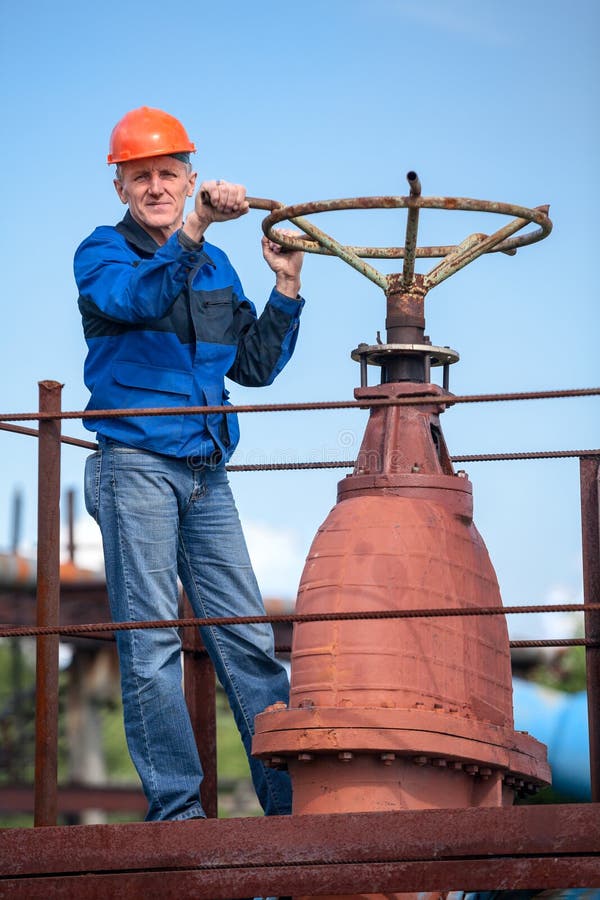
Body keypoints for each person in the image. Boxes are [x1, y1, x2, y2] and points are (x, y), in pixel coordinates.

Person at [74, 106, 304, 822]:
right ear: (119, 188)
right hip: (135, 462)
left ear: (190, 177)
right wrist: (196, 230)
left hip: (208, 471)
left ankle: (293, 814)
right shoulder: (101, 254)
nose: (155, 187)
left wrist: (287, 287)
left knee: (248, 639)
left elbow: (256, 366)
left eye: (168, 173)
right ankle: (178, 821)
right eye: (140, 175)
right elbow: (140, 300)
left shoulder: (220, 265)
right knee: (150, 645)